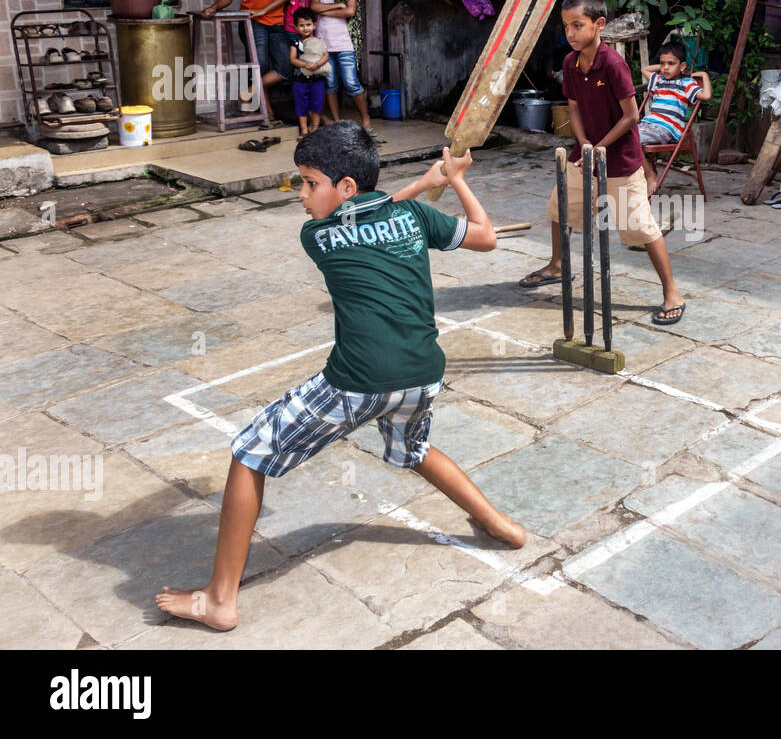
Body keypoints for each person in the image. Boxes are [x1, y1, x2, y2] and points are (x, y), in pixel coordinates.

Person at [155, 122, 524, 631]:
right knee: (413, 451)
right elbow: (484, 236)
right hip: (424, 376)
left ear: (346, 187)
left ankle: (219, 600)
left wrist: (423, 180)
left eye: (309, 183)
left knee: (249, 455)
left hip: (360, 382)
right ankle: (500, 524)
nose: (302, 196)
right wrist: (454, 179)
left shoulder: (318, 236)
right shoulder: (414, 215)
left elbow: (362, 218)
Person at [518, 0, 686, 325]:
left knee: (640, 227)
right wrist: (583, 145)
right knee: (559, 208)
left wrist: (600, 148)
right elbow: (575, 109)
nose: (570, 33)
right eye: (566, 26)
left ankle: (672, 292)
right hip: (585, 157)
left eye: (577, 25)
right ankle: (558, 265)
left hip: (621, 160)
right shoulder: (570, 63)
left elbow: (631, 117)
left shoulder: (613, 64)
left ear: (598, 25)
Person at [311, 0, 375, 137]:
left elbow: (350, 11)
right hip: (324, 44)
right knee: (330, 84)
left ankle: (365, 119)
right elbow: (313, 6)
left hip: (344, 43)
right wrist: (336, 5)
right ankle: (337, 122)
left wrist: (326, 9)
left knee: (351, 83)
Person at [637, 40, 712, 181]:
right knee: (621, 137)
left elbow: (706, 95)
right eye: (662, 63)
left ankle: (650, 175)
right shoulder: (658, 80)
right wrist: (663, 67)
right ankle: (636, 177)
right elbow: (644, 69)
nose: (665, 68)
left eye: (671, 64)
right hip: (647, 125)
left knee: (630, 139)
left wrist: (704, 76)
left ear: (682, 66)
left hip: (666, 128)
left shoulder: (686, 84)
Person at [288, 8, 330, 138]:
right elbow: (293, 59)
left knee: (317, 104)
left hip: (317, 79)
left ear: (314, 25)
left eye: (308, 25)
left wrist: (317, 64)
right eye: (301, 25)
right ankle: (304, 130)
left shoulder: (319, 42)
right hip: (300, 81)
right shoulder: (295, 43)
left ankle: (315, 129)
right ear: (296, 27)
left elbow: (326, 55)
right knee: (301, 104)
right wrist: (305, 64)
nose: (305, 28)